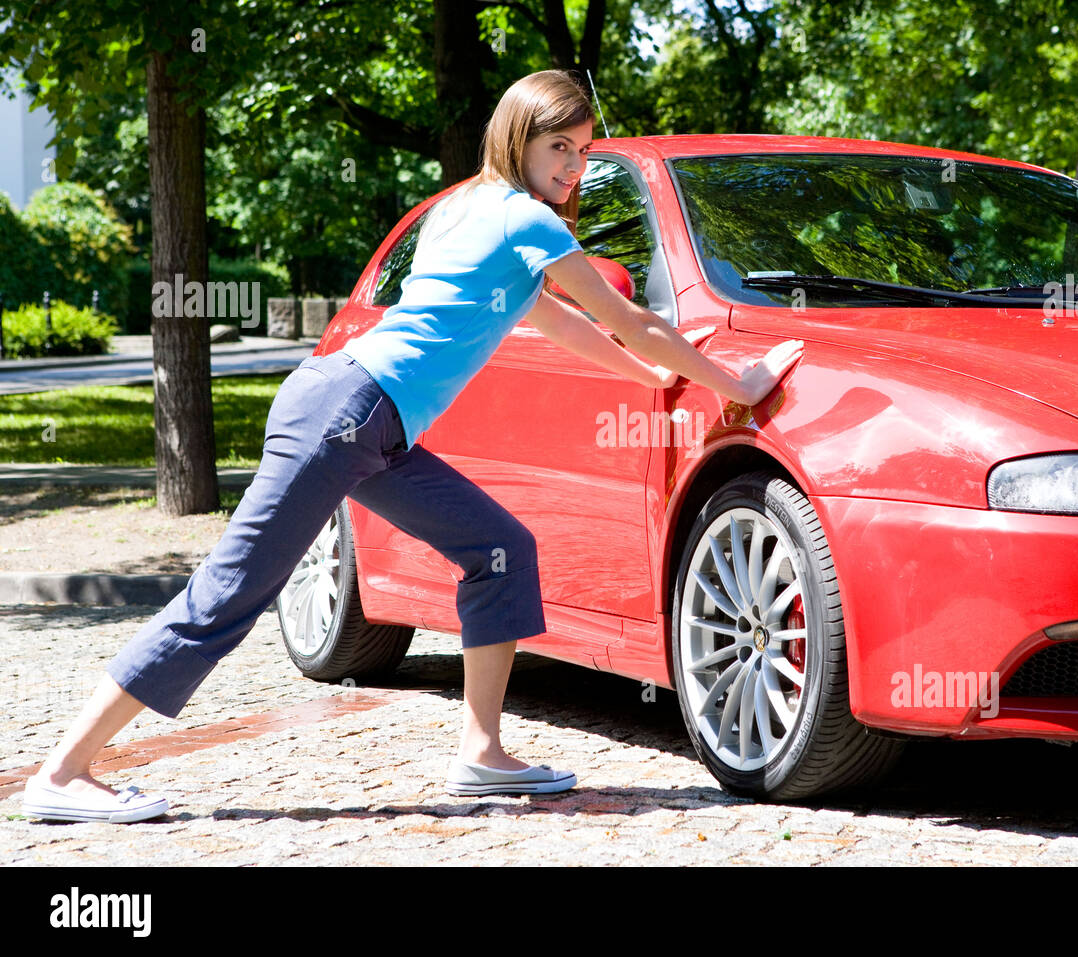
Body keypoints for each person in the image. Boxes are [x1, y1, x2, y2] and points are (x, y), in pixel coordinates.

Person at [20, 69, 803, 823]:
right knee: (226, 597)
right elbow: (632, 320)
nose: (574, 165)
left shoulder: (469, 209)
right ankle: (62, 772)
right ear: (517, 138)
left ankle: (483, 750)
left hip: (367, 424)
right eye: (558, 146)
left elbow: (573, 330)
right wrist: (740, 383)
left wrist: (648, 382)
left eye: (583, 149)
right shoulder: (524, 221)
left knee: (498, 547)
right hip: (348, 414)